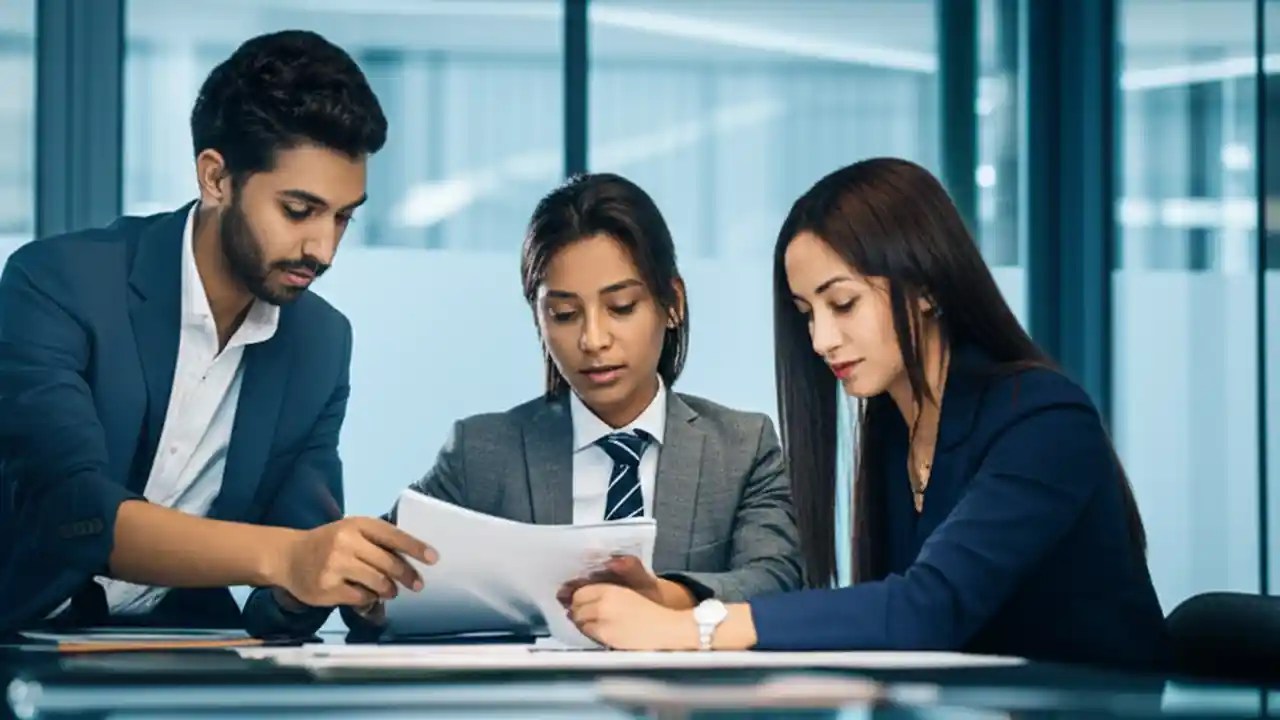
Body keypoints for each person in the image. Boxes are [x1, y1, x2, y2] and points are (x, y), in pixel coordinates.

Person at [563, 158, 1168, 670]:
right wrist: (674, 604)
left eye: (843, 303)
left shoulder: (1044, 419)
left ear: (928, 287)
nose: (822, 339)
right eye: (806, 313)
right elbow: (882, 616)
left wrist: (691, 629)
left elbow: (926, 610)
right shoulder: (892, 429)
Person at [0, 30, 432, 637]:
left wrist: (347, 579)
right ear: (216, 179)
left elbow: (286, 583)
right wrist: (288, 557)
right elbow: (76, 512)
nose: (324, 248)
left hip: (175, 649)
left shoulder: (321, 342)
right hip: (14, 638)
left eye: (344, 217)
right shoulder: (57, 283)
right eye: (299, 210)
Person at [347, 173, 802, 630]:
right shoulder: (482, 453)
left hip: (682, 699)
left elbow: (777, 580)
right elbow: (371, 581)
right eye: (563, 314)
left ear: (673, 303)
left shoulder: (743, 448)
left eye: (621, 306)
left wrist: (664, 597)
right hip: (534, 699)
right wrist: (370, 594)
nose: (593, 339)